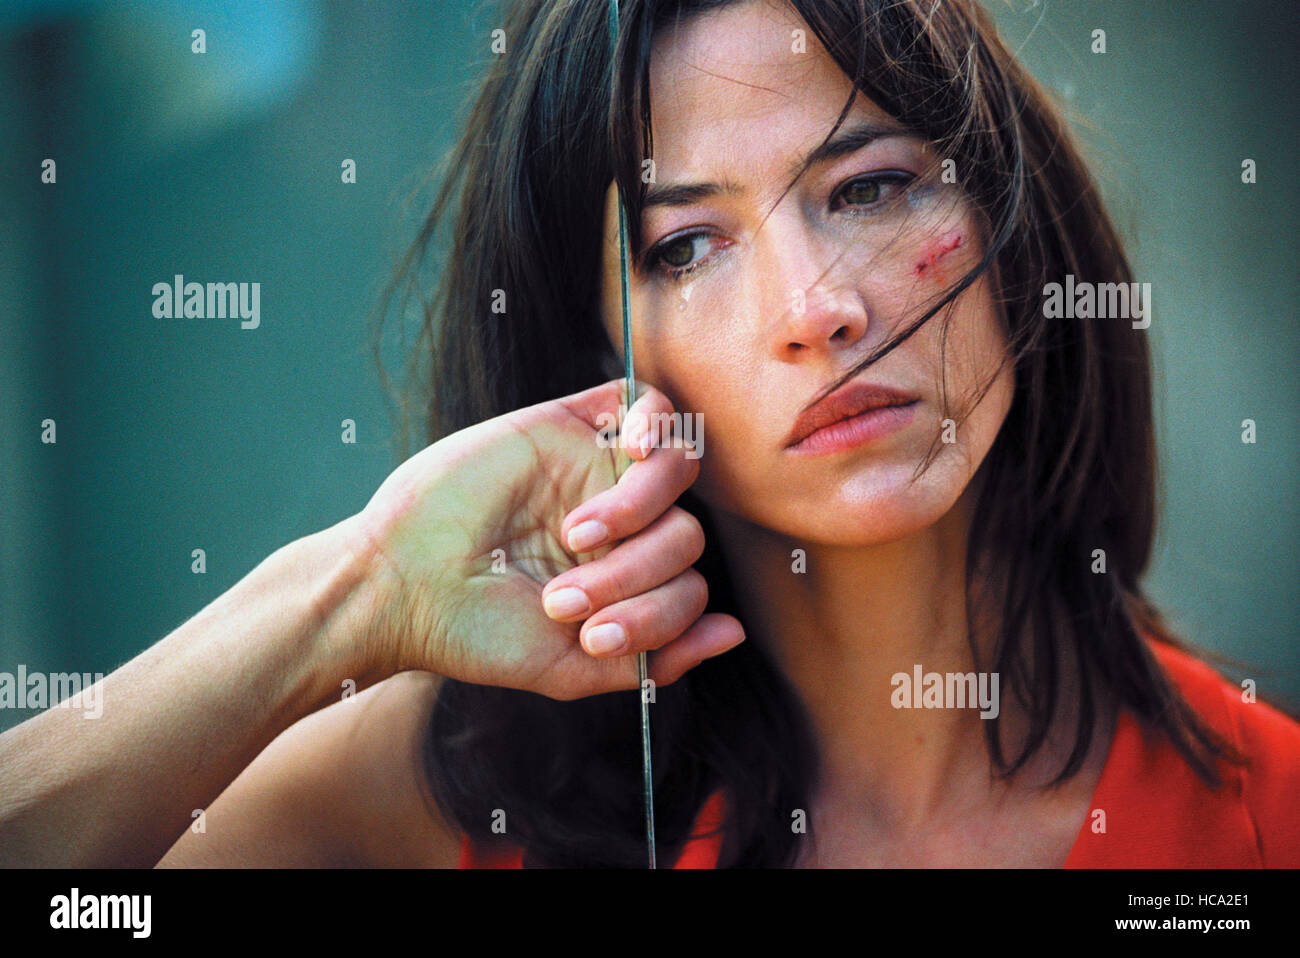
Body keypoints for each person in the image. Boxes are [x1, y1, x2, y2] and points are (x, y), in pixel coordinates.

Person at [1, 0, 1296, 869]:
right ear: (598, 355)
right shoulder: (469, 784)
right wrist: (353, 586)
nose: (816, 309)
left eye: (874, 186)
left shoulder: (1261, 812)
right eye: (687, 244)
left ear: (1017, 231)